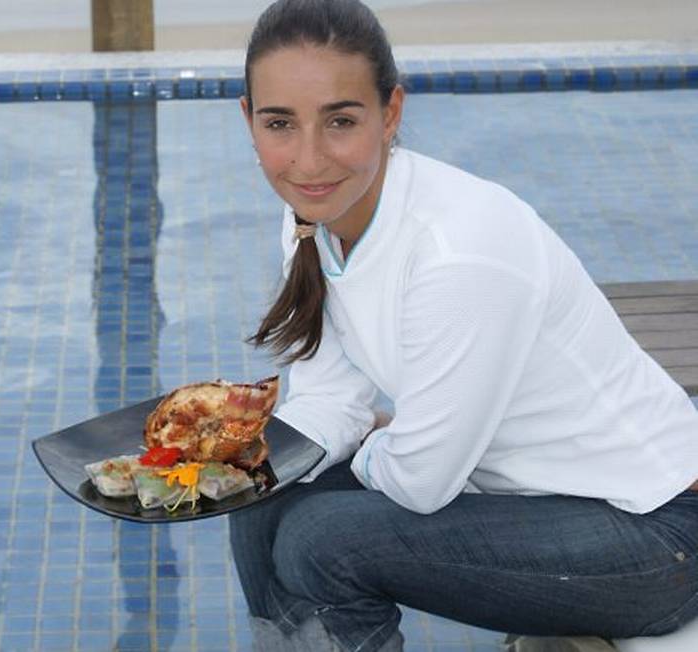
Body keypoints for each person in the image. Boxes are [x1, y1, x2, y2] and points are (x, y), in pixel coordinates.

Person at [229, 1, 698, 651]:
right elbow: (331, 401)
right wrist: (216, 465)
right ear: (248, 120)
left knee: (320, 538)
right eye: (280, 123)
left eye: (340, 120)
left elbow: (422, 481)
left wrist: (379, 438)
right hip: (542, 505)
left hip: (656, 535)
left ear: (391, 113)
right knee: (258, 496)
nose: (307, 160)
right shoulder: (314, 216)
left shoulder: (458, 247)